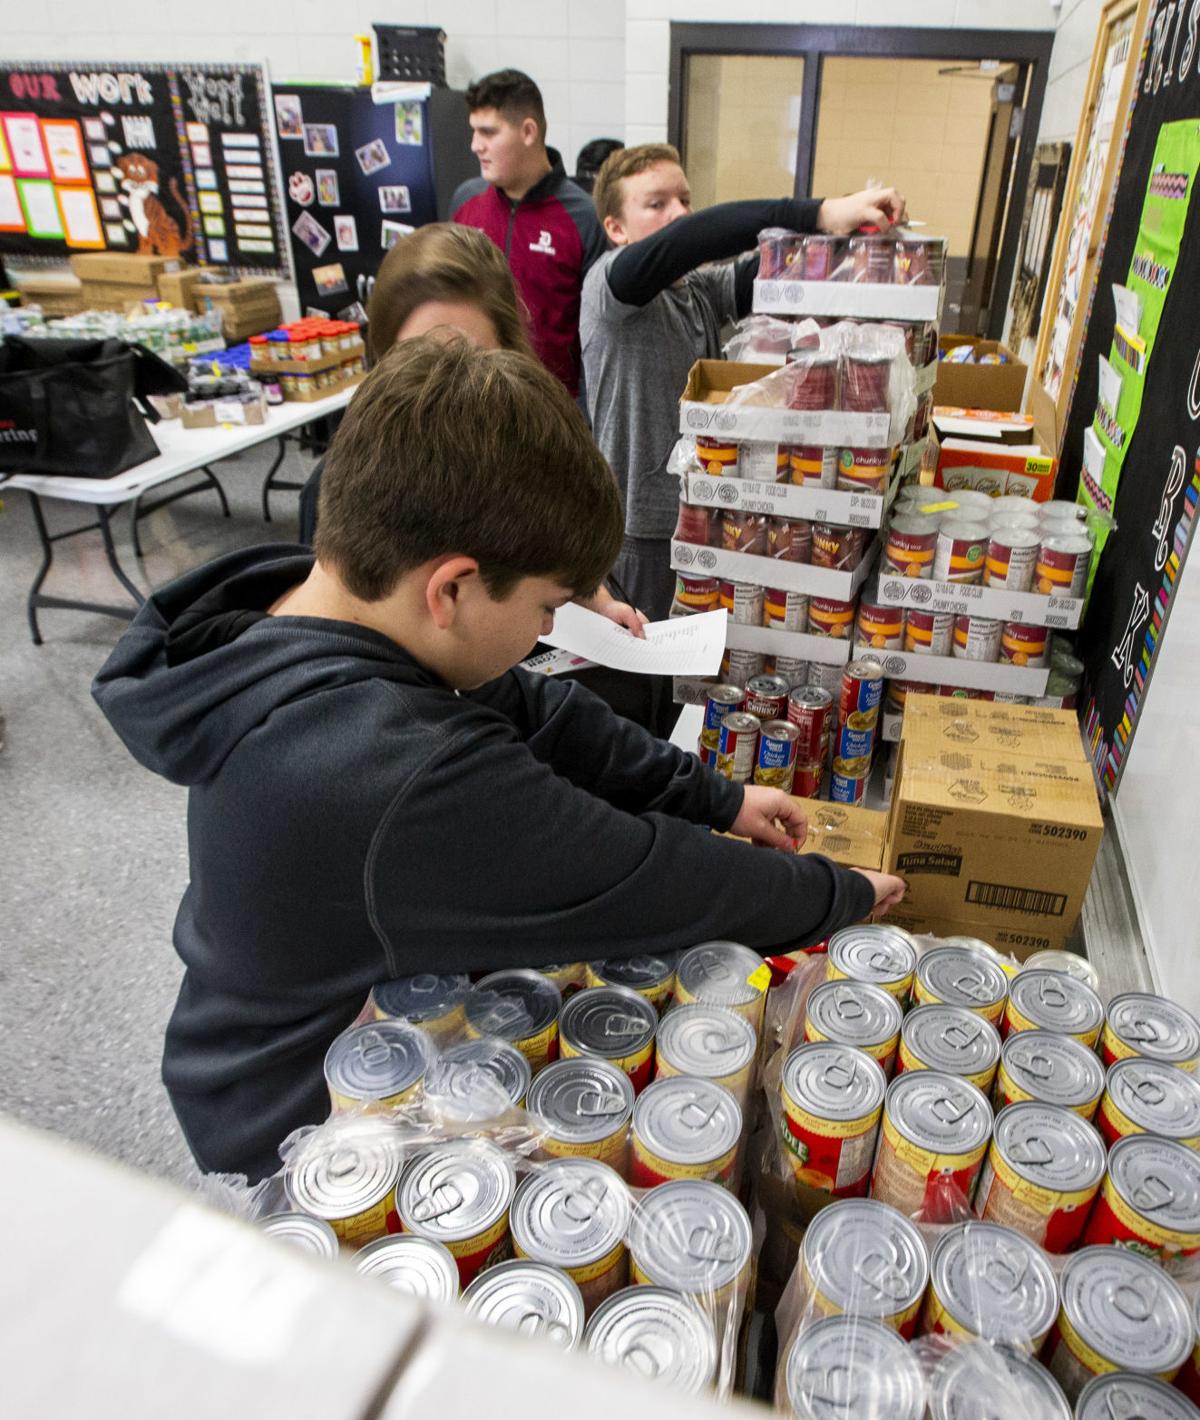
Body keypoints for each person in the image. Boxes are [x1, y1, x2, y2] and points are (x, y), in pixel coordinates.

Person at [92, 338, 906, 1182]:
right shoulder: (381, 770)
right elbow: (636, 876)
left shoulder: (325, 601)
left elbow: (537, 709)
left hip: (312, 1015)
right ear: (451, 589)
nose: (549, 635)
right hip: (306, 1114)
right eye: (548, 608)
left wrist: (716, 798)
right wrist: (834, 895)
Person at [581, 145, 907, 620]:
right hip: (642, 534)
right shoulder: (609, 290)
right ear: (615, 227)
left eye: (684, 200)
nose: (678, 213)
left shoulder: (695, 290)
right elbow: (690, 239)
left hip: (714, 512)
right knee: (652, 675)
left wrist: (849, 220)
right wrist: (818, 211)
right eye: (656, 204)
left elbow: (772, 264)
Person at [296, 222, 643, 639]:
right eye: (419, 360)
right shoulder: (338, 488)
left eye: (472, 360)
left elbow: (553, 541)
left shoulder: (525, 447)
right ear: (383, 358)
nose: (446, 386)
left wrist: (596, 599)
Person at [451, 69, 604, 397]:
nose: (475, 145)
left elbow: (597, 333)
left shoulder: (583, 217)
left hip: (552, 408)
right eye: (474, 131)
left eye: (488, 132)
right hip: (473, 397)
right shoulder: (465, 203)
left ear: (528, 131)